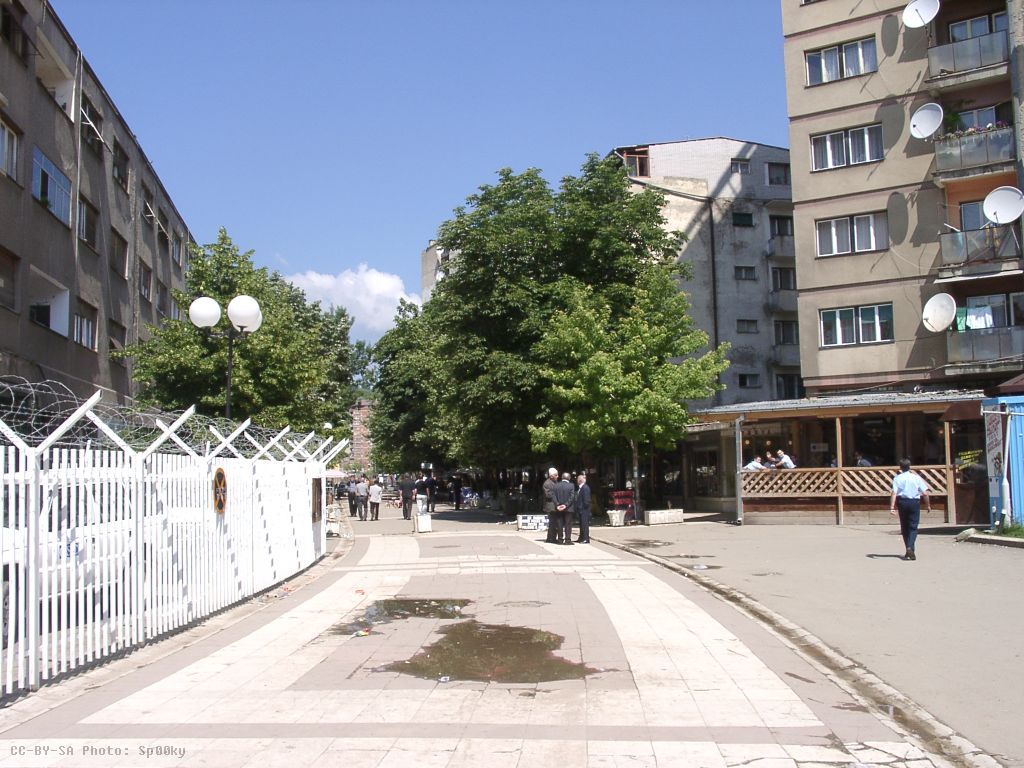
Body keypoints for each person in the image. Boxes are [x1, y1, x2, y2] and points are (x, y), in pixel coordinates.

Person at [890, 458, 931, 561]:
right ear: (909, 467)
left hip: (902, 502)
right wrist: (928, 505)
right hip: (914, 502)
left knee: (904, 526)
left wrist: (892, 507)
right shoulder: (916, 478)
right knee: (913, 527)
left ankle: (909, 549)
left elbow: (894, 493)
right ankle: (910, 547)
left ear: (900, 467)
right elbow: (925, 493)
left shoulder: (897, 478)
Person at [551, 472, 577, 545]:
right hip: (568, 508)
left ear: (562, 478)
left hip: (559, 508)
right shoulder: (571, 485)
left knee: (559, 524)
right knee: (568, 524)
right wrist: (566, 505)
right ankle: (567, 540)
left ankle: (560, 539)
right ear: (569, 478)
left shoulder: (556, 485)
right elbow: (572, 497)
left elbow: (553, 496)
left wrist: (557, 505)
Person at [543, 468, 560, 544]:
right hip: (551, 506)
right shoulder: (547, 483)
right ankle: (550, 538)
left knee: (555, 523)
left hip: (555, 505)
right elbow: (548, 495)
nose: (557, 476)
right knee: (552, 523)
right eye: (556, 475)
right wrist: (556, 493)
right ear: (551, 476)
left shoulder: (555, 482)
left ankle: (553, 537)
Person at [575, 473, 592, 544]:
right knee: (581, 524)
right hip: (581, 509)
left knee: (584, 525)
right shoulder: (581, 488)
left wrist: (583, 508)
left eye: (577, 479)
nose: (576, 481)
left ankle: (585, 538)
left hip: (584, 510)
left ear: (580, 480)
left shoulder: (585, 488)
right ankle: (581, 537)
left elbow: (586, 500)